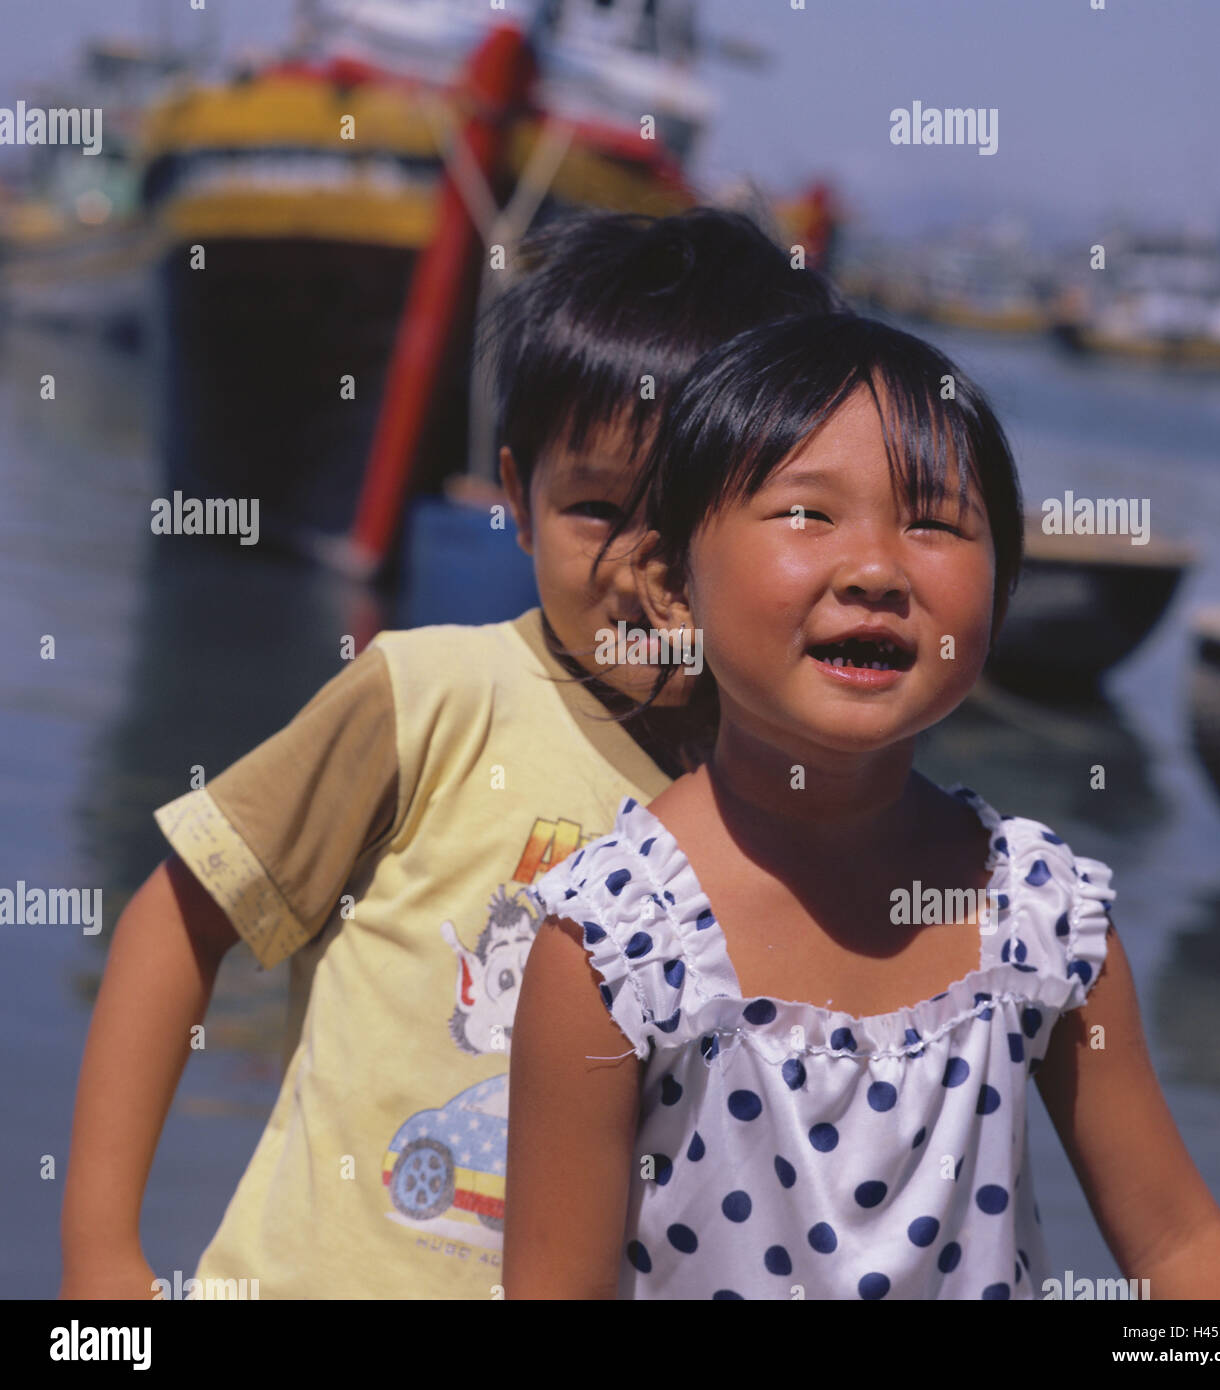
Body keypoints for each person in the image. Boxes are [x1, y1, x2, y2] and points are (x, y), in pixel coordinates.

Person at [57, 208, 843, 1300]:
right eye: (597, 508)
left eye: (693, 512)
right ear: (517, 498)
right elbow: (179, 917)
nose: (641, 566)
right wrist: (102, 1259)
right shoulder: (430, 700)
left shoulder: (796, 796)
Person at [504, 311, 1220, 1300]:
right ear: (671, 585)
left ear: (998, 596)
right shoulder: (611, 944)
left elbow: (1177, 1250)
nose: (873, 569)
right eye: (806, 515)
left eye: (934, 523)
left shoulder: (1039, 916)